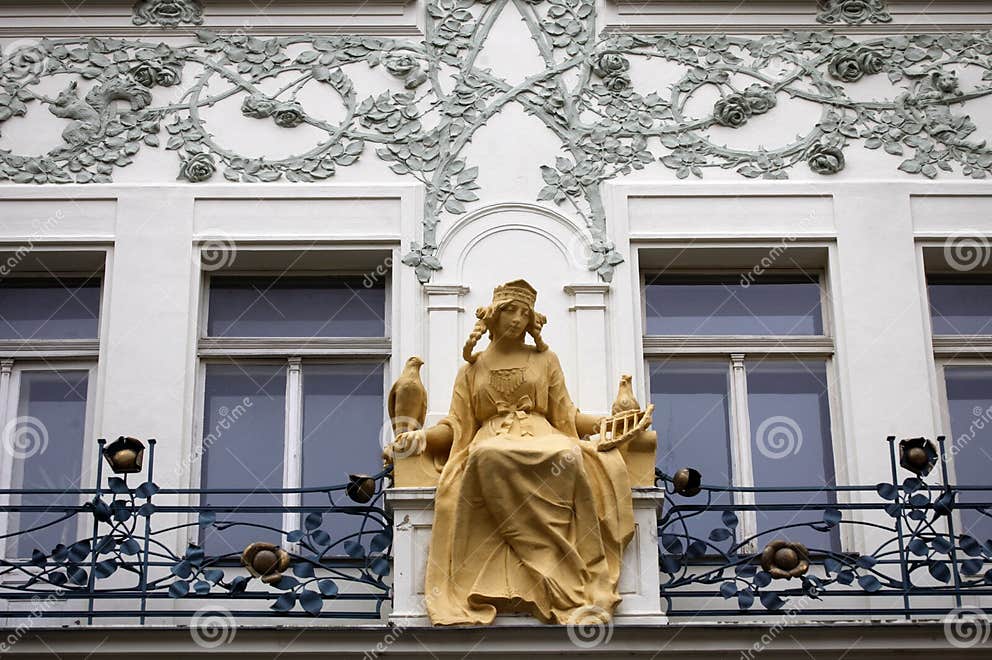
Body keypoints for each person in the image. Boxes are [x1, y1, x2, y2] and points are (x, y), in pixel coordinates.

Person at [387, 279, 641, 625]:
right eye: (510, 311)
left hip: (543, 435)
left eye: (524, 313)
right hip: (492, 439)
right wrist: (421, 438)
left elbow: (567, 415)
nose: (518, 319)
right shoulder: (471, 369)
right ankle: (544, 563)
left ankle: (566, 565)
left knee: (569, 454)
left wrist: (607, 423)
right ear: (493, 316)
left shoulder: (546, 359)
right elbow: (457, 425)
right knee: (485, 455)